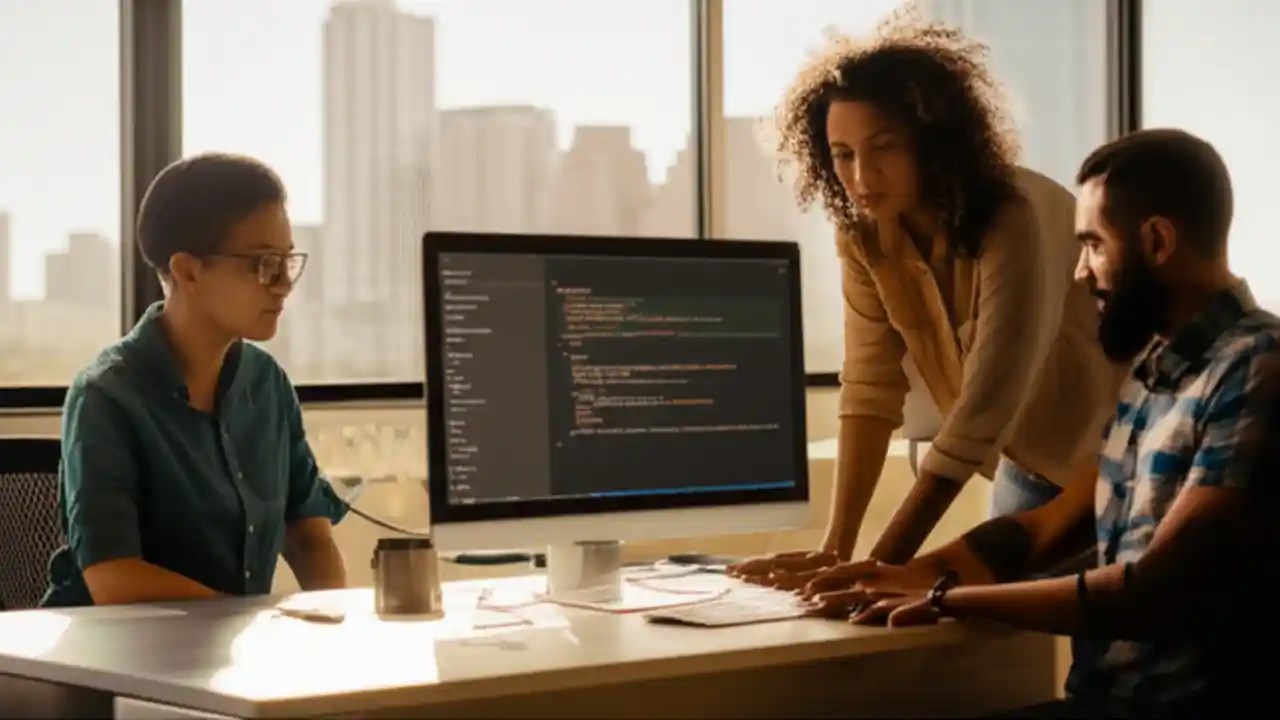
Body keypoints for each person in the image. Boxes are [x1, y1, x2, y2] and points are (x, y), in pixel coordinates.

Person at [798, 128, 1280, 717]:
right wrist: (897, 573)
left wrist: (953, 597)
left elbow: (1158, 590)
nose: (1081, 273)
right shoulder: (1154, 368)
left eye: (1093, 245)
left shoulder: (1258, 368)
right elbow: (1049, 526)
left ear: (1157, 241)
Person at [730, 9, 1123, 581]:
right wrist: (836, 550)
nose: (862, 175)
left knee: (1106, 652)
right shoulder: (864, 234)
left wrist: (880, 566)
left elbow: (984, 409)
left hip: (1114, 466)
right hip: (1023, 466)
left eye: (882, 147)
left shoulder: (1013, 214)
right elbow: (869, 388)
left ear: (933, 141)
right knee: (996, 642)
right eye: (842, 154)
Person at [41, 153, 348, 607]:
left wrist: (338, 627)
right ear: (188, 271)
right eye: (263, 262)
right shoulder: (106, 396)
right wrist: (251, 622)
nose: (284, 283)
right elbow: (113, 577)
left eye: (288, 260)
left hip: (229, 663)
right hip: (116, 662)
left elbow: (306, 534)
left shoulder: (266, 384)